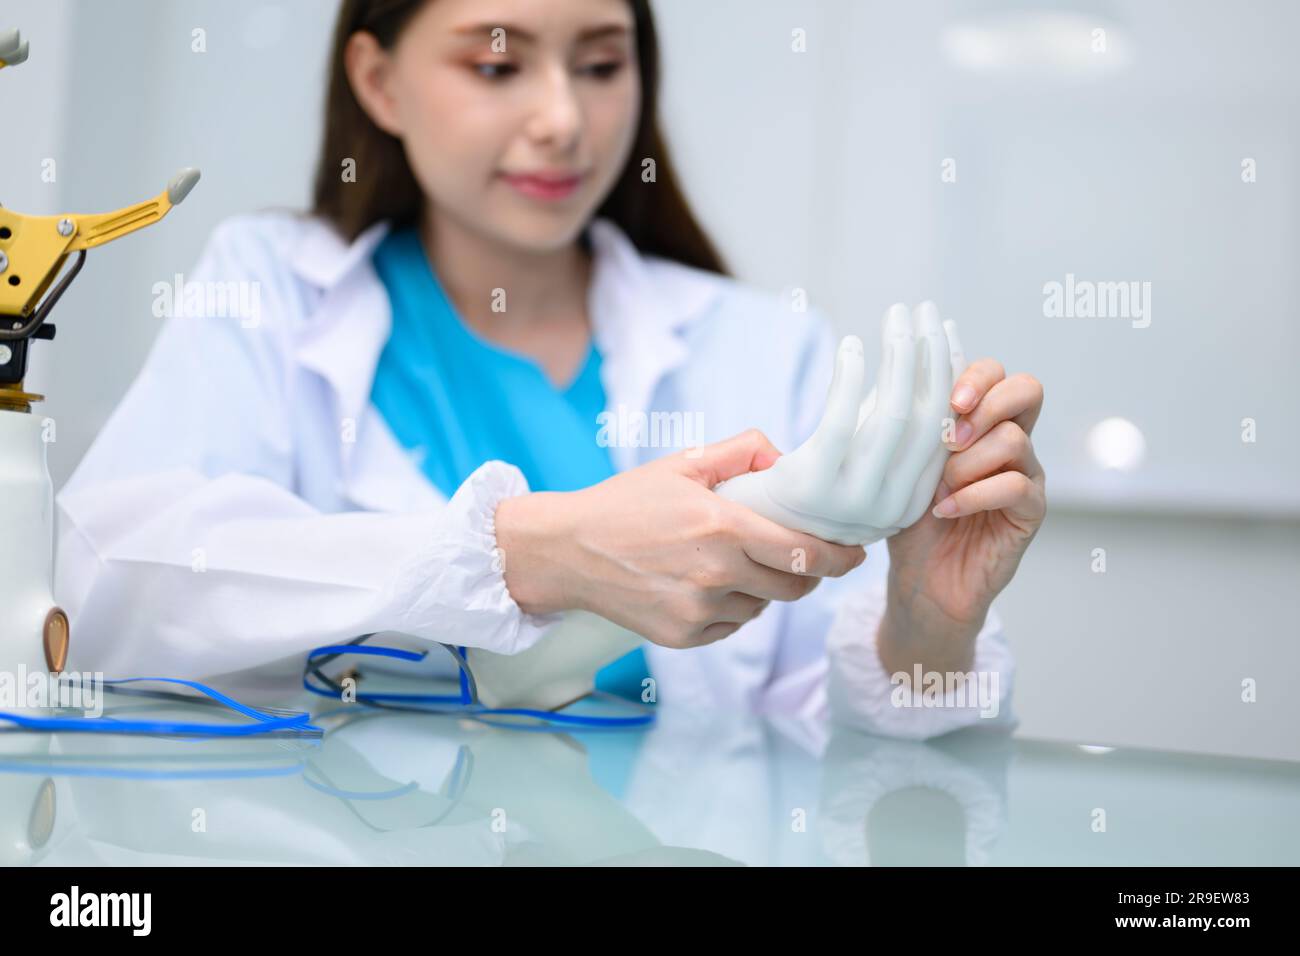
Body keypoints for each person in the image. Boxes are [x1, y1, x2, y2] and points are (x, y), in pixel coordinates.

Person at [56, 0, 1046, 738]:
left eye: (603, 63)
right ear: (379, 81)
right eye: (497, 65)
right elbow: (92, 591)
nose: (564, 119)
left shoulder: (758, 341)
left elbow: (828, 756)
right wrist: (527, 553)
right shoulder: (273, 285)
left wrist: (925, 632)